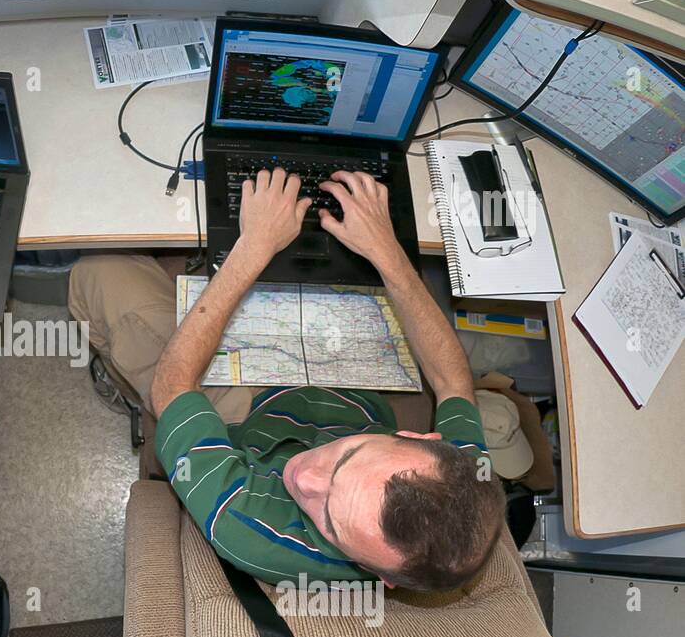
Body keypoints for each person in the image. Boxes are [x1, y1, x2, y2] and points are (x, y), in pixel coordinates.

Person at [70, 169, 504, 591]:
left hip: (248, 417)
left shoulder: (254, 535)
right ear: (421, 439)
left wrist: (253, 247)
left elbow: (173, 390)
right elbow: (452, 385)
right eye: (346, 460)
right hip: (346, 391)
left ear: (381, 579)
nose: (304, 478)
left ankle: (123, 388)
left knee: (100, 271)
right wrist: (386, 251)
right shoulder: (459, 487)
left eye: (329, 521)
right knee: (341, 255)